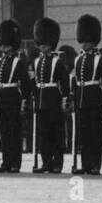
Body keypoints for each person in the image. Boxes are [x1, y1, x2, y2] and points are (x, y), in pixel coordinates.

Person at [71, 15, 102, 175]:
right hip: (81, 99)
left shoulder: (99, 59)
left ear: (93, 41)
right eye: (83, 40)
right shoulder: (78, 59)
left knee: (94, 134)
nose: (84, 43)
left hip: (94, 99)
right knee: (83, 134)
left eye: (87, 41)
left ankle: (95, 164)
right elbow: (75, 81)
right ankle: (85, 164)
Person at [30, 17, 69, 173]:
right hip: (40, 99)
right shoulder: (36, 62)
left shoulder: (57, 62)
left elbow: (64, 83)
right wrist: (33, 98)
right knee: (43, 134)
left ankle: (57, 163)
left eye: (46, 45)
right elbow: (34, 83)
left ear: (51, 45)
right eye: (41, 45)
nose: (43, 47)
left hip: (53, 99)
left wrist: (65, 99)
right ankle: (46, 162)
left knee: (55, 133)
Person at [0, 20, 30, 173]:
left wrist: (24, 101)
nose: (4, 48)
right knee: (4, 133)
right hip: (1, 99)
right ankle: (6, 161)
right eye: (3, 45)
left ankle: (15, 162)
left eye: (7, 45)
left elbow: (25, 84)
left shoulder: (18, 62)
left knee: (14, 132)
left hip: (13, 99)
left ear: (12, 46)